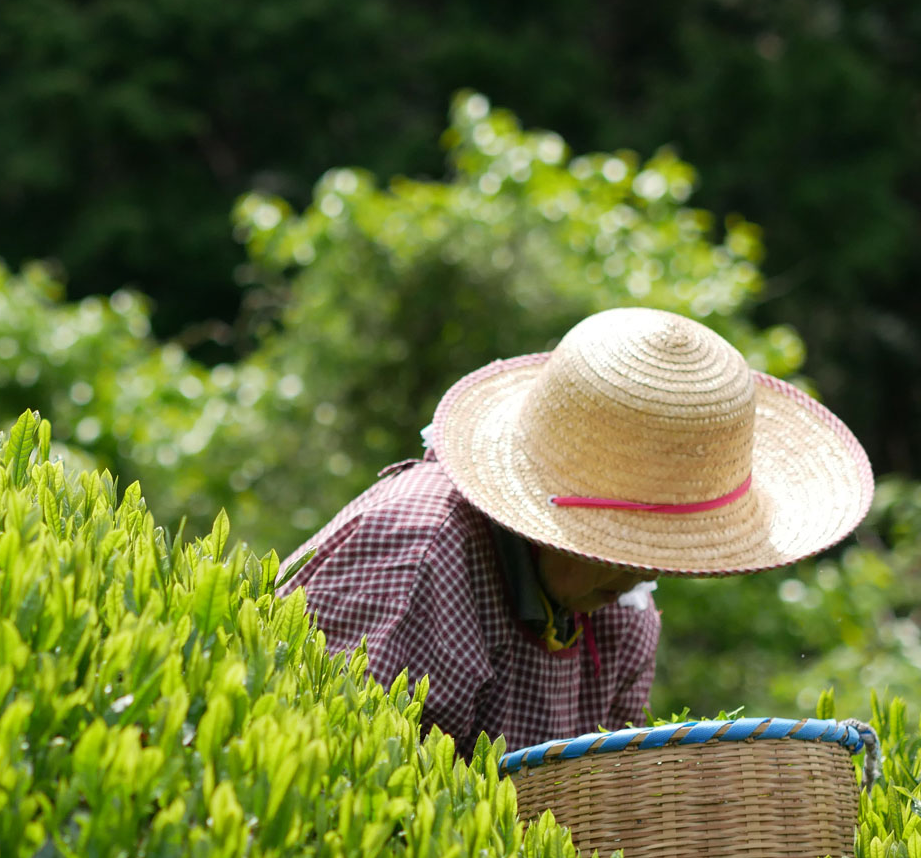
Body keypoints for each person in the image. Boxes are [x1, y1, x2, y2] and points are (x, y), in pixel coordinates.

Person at [277, 307, 873, 754]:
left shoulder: (622, 617)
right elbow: (340, 785)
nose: (641, 574)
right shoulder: (422, 556)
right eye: (622, 548)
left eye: (661, 553)